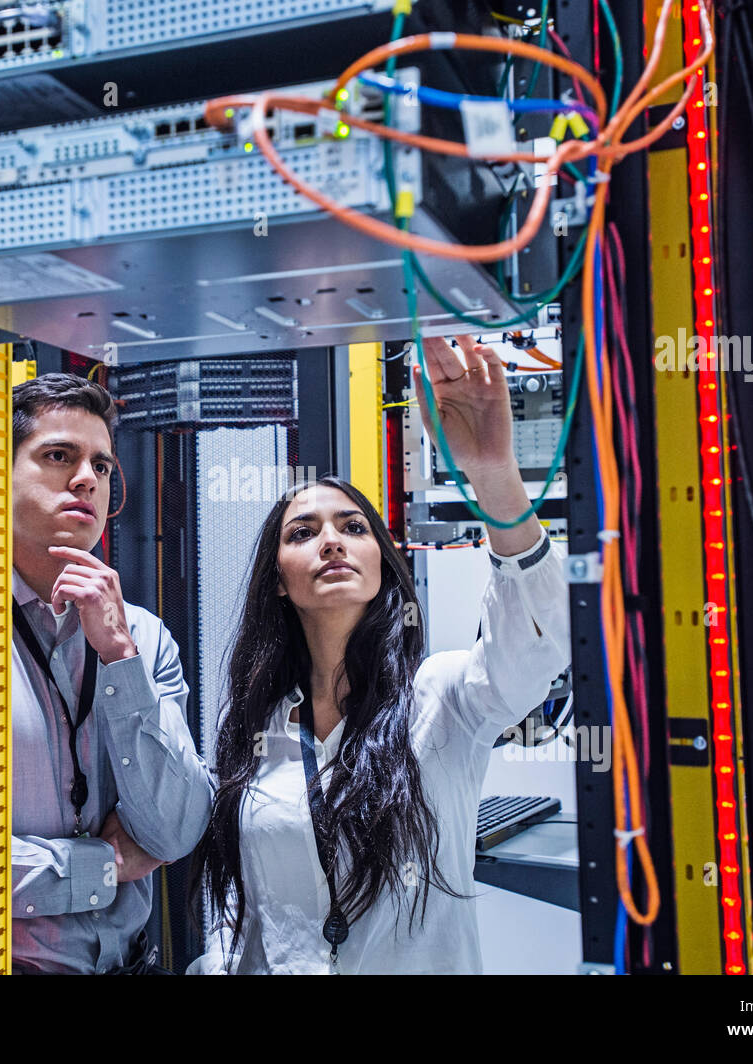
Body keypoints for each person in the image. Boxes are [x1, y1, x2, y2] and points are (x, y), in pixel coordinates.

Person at [189, 336, 571, 974]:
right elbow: (256, 923)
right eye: (303, 533)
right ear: (278, 579)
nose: (331, 541)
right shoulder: (260, 731)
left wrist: (493, 474)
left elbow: (539, 643)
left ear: (382, 566)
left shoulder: (441, 698)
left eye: (353, 527)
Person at [9, 373, 212, 974]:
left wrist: (120, 656)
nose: (86, 479)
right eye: (58, 456)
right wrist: (107, 865)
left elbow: (176, 828)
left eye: (100, 464)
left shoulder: (143, 638)